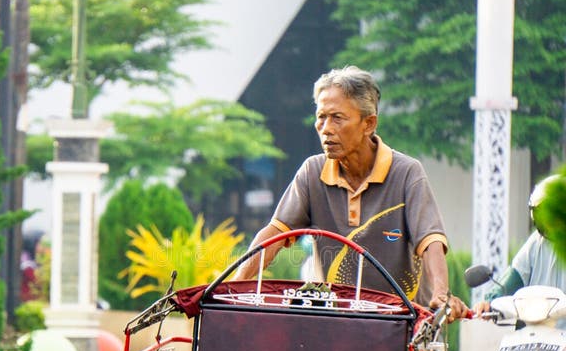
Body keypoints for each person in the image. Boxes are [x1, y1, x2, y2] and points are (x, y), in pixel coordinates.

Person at [235, 65, 468, 322]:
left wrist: (441, 293)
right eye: (321, 117)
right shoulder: (313, 172)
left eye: (337, 118)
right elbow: (274, 235)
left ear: (369, 123)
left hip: (404, 323)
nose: (325, 128)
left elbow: (431, 241)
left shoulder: (406, 173)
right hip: (340, 324)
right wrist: (231, 286)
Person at [473, 175, 566, 316]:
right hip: (535, 330)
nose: (551, 222)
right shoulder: (536, 244)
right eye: (545, 215)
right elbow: (513, 278)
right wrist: (490, 303)